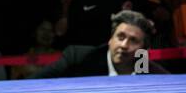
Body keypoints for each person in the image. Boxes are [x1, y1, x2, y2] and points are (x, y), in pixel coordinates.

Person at [37, 11, 169, 78]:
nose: (124, 45)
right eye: (120, 37)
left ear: (144, 50)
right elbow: (35, 83)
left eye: (133, 40)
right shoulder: (77, 58)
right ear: (110, 39)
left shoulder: (153, 74)